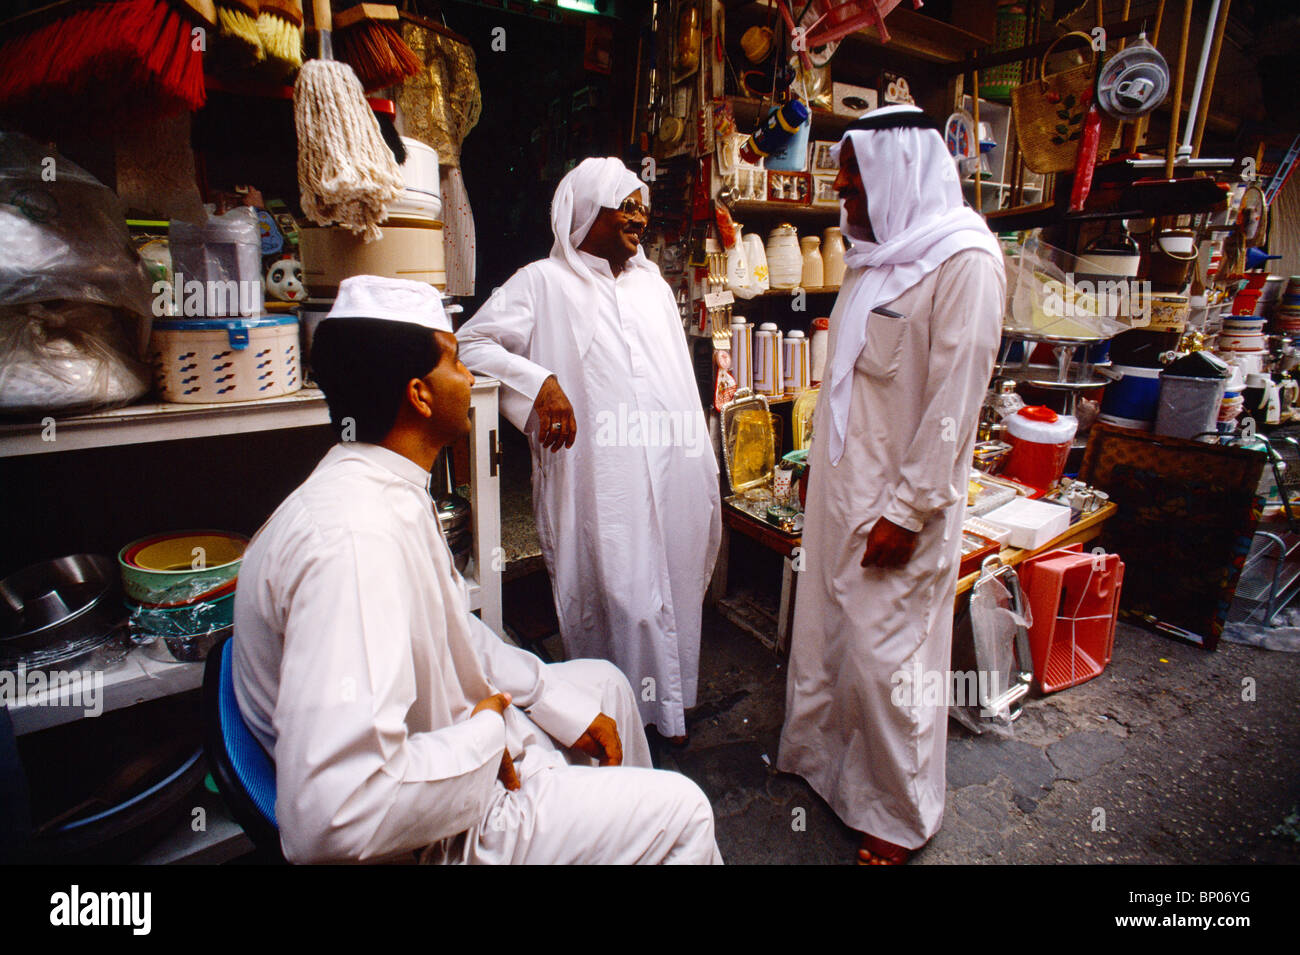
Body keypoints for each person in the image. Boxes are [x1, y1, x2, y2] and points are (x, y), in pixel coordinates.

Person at [233, 275, 722, 864]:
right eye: (457, 363)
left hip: (440, 742)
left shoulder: (384, 485)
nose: (470, 379)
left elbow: (453, 633)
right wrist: (487, 735)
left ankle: (607, 823)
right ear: (418, 394)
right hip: (425, 837)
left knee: (605, 688)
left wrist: (545, 701)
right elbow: (333, 819)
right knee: (685, 811)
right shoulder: (353, 541)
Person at [777, 105, 1006, 865]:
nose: (842, 191)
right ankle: (826, 766)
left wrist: (907, 511)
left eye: (853, 176)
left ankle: (900, 813)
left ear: (897, 173)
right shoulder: (875, 260)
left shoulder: (965, 262)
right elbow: (845, 386)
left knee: (888, 658)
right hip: (844, 490)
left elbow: (953, 403)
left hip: (903, 505)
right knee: (829, 636)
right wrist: (817, 471)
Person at [456, 158, 721, 744]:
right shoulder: (542, 283)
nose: (639, 218)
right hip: (600, 478)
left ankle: (670, 714)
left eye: (642, 208)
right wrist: (539, 383)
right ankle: (613, 721)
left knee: (671, 588)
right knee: (616, 592)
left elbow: (675, 375)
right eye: (625, 206)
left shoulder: (652, 285)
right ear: (585, 213)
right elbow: (469, 343)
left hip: (669, 466)